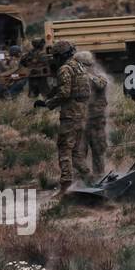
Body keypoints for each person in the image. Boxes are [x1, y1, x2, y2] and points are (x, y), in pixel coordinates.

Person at [36, 40, 89, 191]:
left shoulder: (65, 69)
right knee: (77, 151)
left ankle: (65, 185)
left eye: (56, 56)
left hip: (70, 115)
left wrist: (48, 104)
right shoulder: (80, 67)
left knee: (64, 148)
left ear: (61, 56)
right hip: (82, 113)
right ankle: (88, 178)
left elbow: (64, 93)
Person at [74, 51, 108, 178]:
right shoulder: (76, 78)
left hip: (96, 121)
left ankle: (99, 178)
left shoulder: (98, 76)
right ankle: (80, 181)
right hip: (81, 121)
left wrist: (87, 75)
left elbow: (101, 84)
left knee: (98, 150)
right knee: (79, 153)